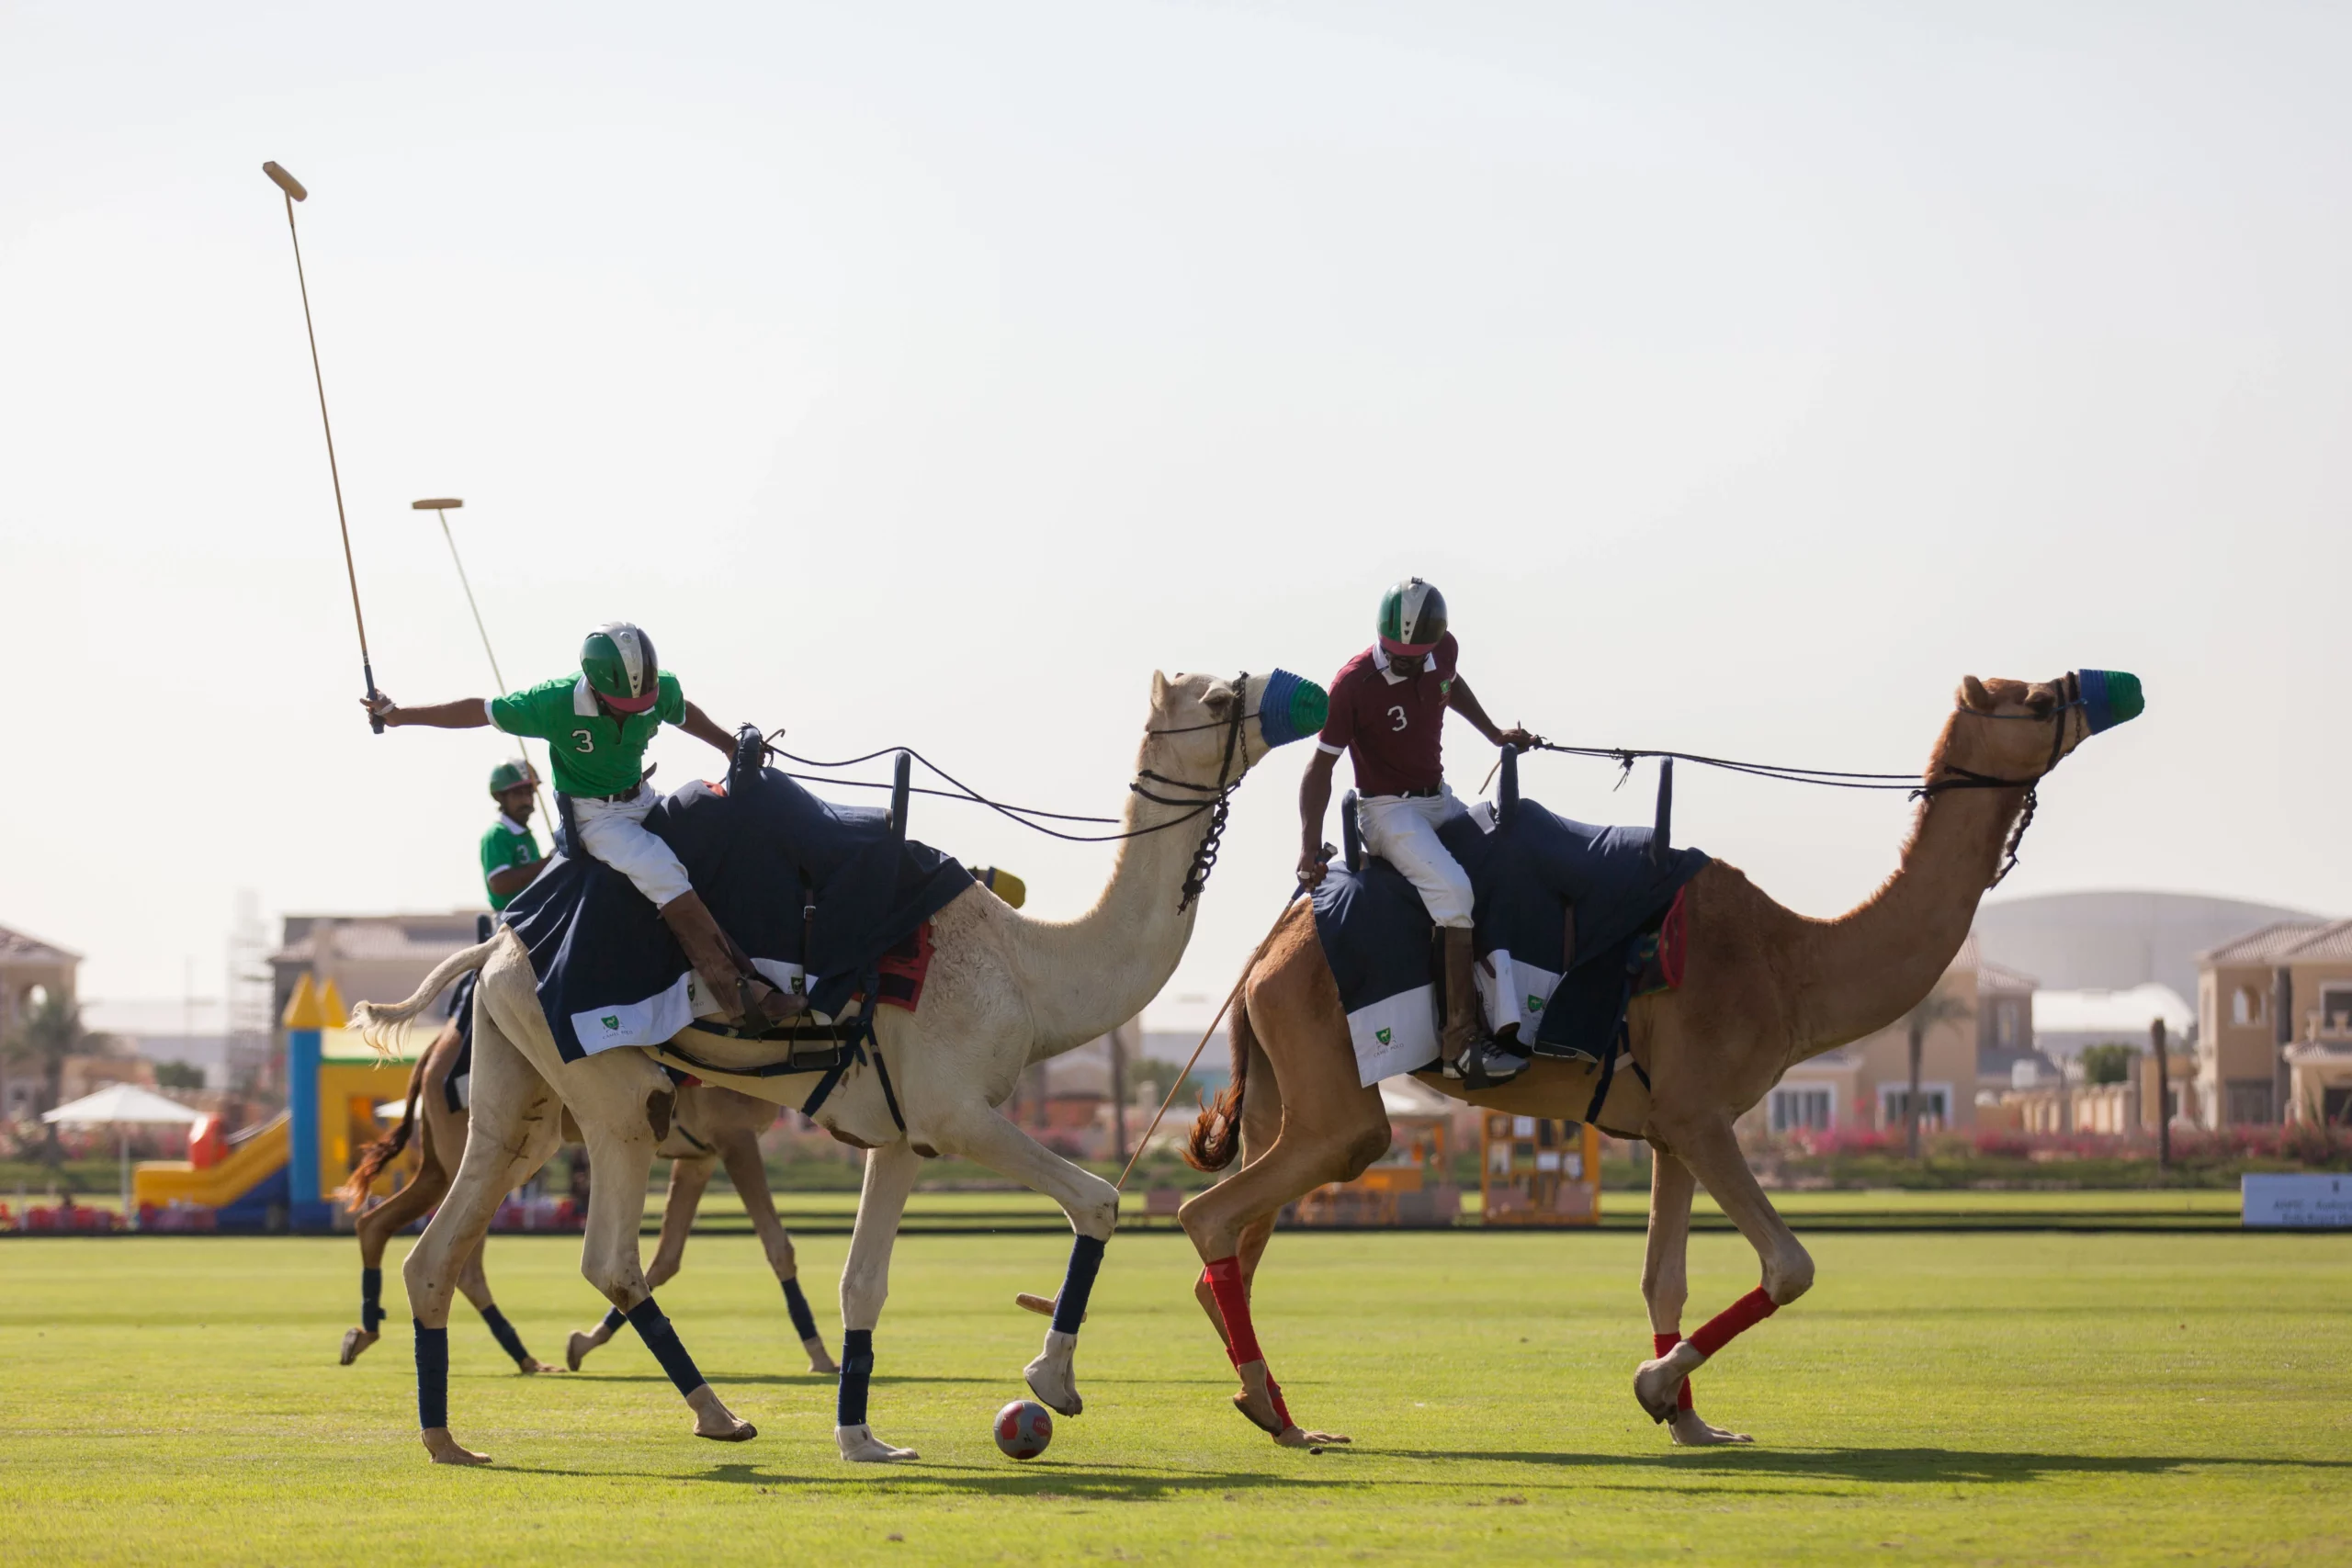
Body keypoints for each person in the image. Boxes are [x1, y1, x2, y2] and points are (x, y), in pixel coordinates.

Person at [364, 622, 792, 1025]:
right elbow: (479, 710)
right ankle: (737, 997)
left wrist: (730, 747)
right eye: (621, 709)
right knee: (665, 872)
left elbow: (680, 712)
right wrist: (400, 715)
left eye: (639, 708)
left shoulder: (660, 688)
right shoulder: (551, 702)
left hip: (641, 796)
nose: (631, 716)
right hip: (596, 818)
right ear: (595, 686)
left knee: (711, 814)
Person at [1296, 579, 1538, 1088]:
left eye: (1414, 657)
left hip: (1437, 799)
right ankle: (1460, 1047)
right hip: (1386, 813)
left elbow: (1451, 684)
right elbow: (1319, 770)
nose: (1403, 663)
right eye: (1395, 655)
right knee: (1452, 890)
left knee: (1505, 853)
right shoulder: (1352, 684)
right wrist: (1307, 847)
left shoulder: (1443, 652)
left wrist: (1495, 734)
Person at [481, 759, 549, 912]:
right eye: (518, 794)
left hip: (533, 916)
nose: (527, 800)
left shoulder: (525, 835)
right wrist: (547, 864)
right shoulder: (497, 835)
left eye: (530, 793)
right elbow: (500, 883)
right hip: (510, 921)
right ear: (499, 797)